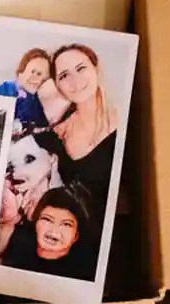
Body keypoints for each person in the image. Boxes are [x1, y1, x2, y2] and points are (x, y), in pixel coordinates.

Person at [46, 43, 118, 220]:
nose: (75, 81)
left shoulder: (123, 122)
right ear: (57, 85)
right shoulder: (57, 133)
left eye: (81, 68)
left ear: (96, 69)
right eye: (64, 75)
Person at [0, 187, 95, 281]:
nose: (54, 231)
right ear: (36, 222)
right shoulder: (9, 236)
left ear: (75, 236)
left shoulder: (84, 271)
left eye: (66, 224)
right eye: (47, 219)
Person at [0, 48, 52, 128]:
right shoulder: (6, 89)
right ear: (22, 71)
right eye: (35, 73)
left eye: (44, 80)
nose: (39, 81)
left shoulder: (39, 102)